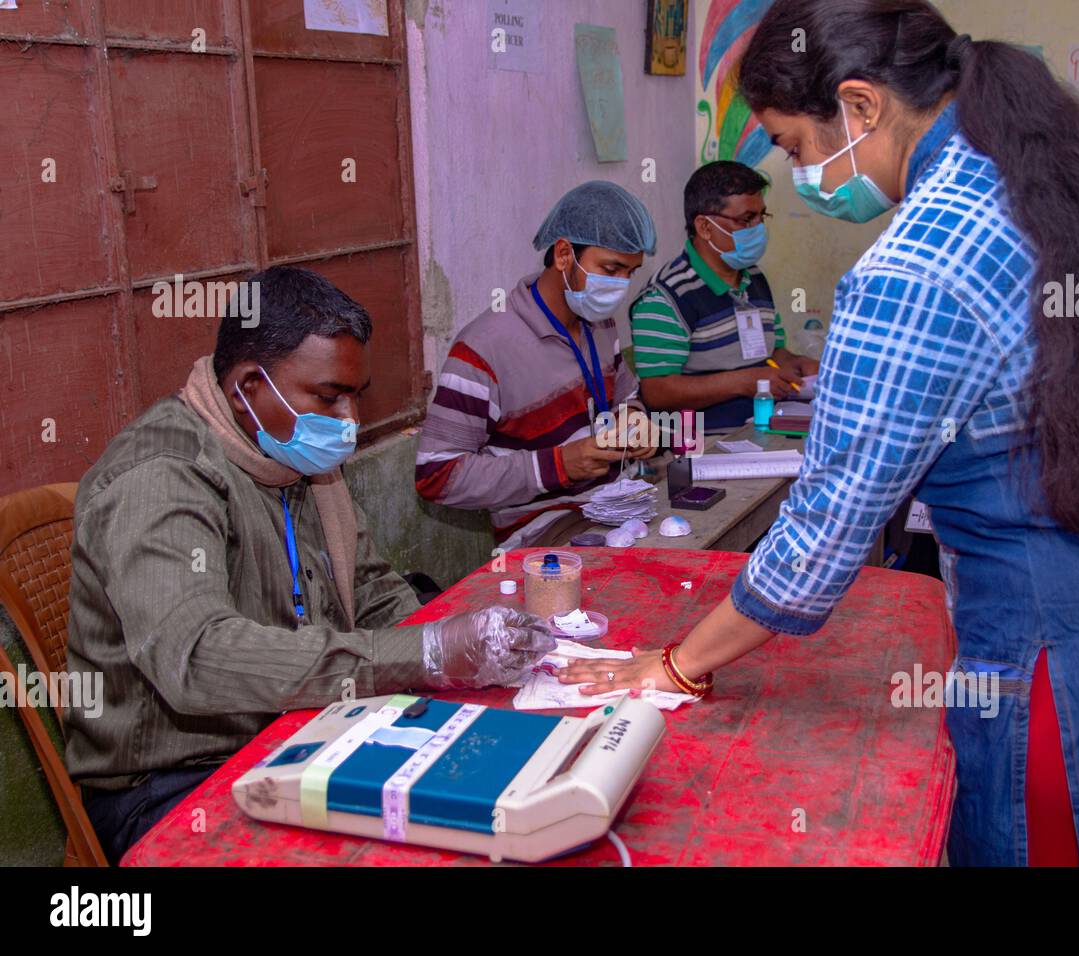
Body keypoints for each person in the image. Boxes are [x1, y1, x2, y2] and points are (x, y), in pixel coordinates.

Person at [560, 0, 1079, 866]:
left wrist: (676, 665)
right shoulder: (1061, 178)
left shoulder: (916, 263)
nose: (800, 176)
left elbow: (821, 539)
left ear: (861, 106)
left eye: (793, 147)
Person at [65, 266, 554, 863]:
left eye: (355, 394)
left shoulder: (292, 454)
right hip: (176, 779)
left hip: (302, 725)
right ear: (249, 384)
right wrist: (421, 653)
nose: (349, 418)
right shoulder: (160, 478)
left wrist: (455, 646)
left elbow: (370, 589)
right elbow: (195, 659)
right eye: (329, 396)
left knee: (496, 798)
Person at [416, 181, 660, 548]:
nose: (621, 285)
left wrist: (635, 418)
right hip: (544, 537)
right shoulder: (485, 348)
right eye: (611, 269)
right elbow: (436, 475)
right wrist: (557, 465)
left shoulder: (600, 323)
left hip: (615, 512)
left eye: (631, 272)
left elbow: (627, 395)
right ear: (564, 254)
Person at [630, 160, 819, 433]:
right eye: (746, 219)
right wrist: (742, 382)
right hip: (702, 448)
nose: (758, 228)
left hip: (764, 428)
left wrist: (798, 364)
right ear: (705, 227)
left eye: (761, 217)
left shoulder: (754, 278)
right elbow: (657, 392)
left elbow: (772, 352)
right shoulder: (665, 297)